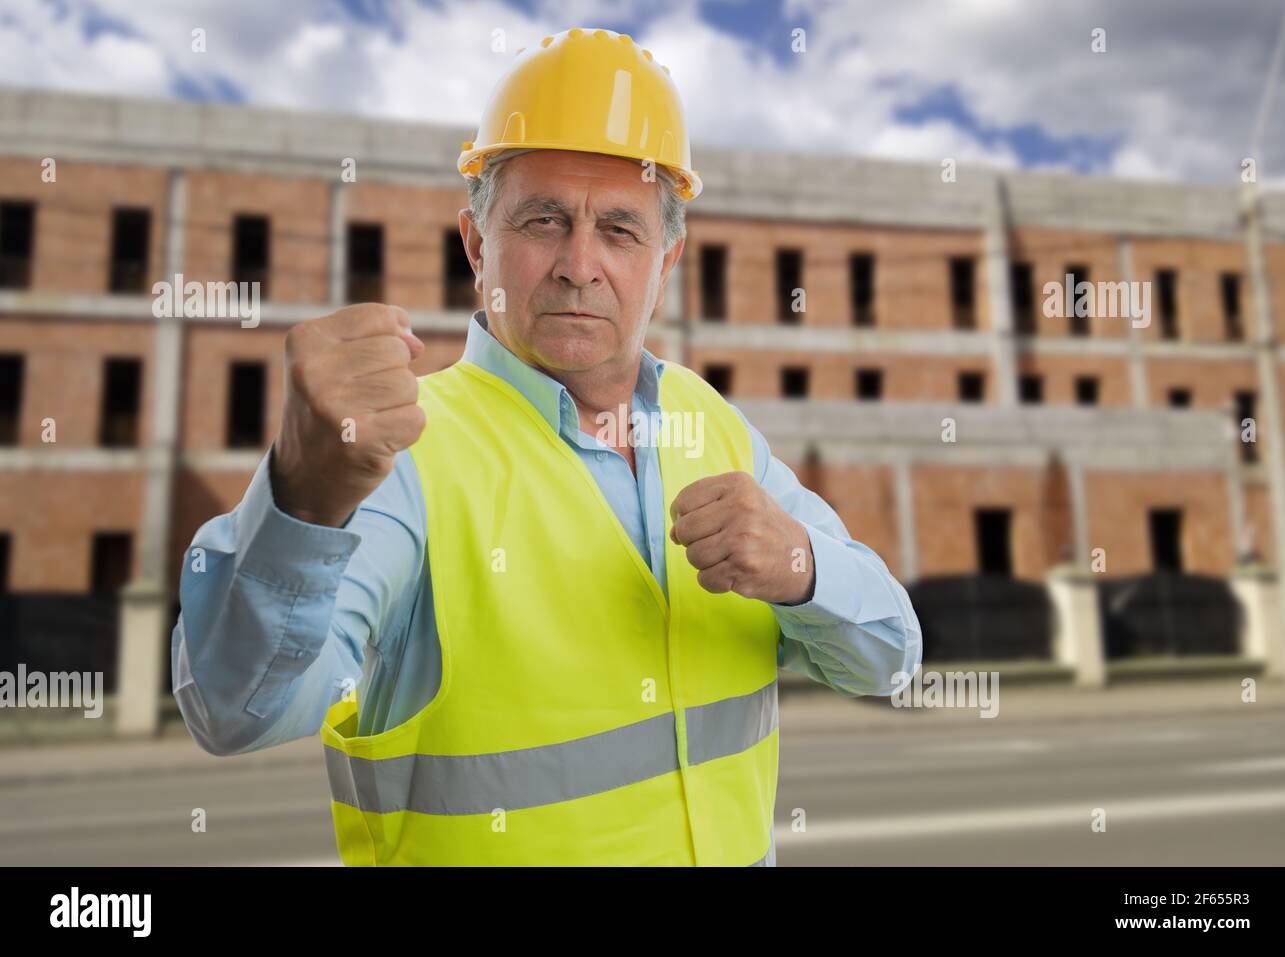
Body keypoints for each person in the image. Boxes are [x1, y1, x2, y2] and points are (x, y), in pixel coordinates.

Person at [172, 26, 922, 866]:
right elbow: (235, 711)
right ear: (475, 242)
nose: (578, 264)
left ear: (666, 259)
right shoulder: (405, 459)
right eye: (543, 220)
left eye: (620, 231)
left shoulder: (713, 426)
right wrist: (303, 504)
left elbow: (892, 655)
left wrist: (803, 569)